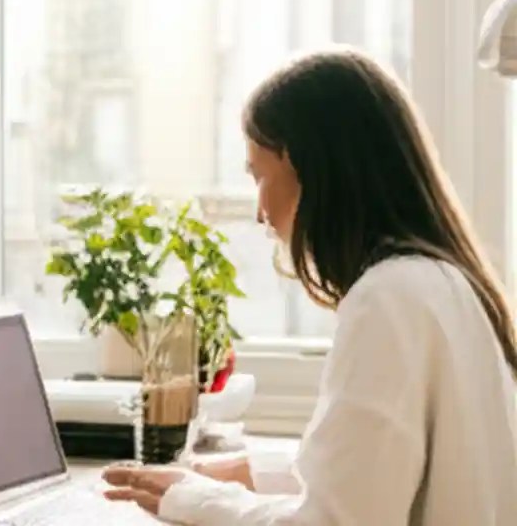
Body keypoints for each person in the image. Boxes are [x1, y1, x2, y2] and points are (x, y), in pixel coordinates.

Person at [102, 50, 517, 524]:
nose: (259, 211)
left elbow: (334, 521)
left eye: (259, 176)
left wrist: (191, 501)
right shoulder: (441, 282)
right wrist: (244, 471)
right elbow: (372, 468)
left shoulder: (388, 298)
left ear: (308, 168)